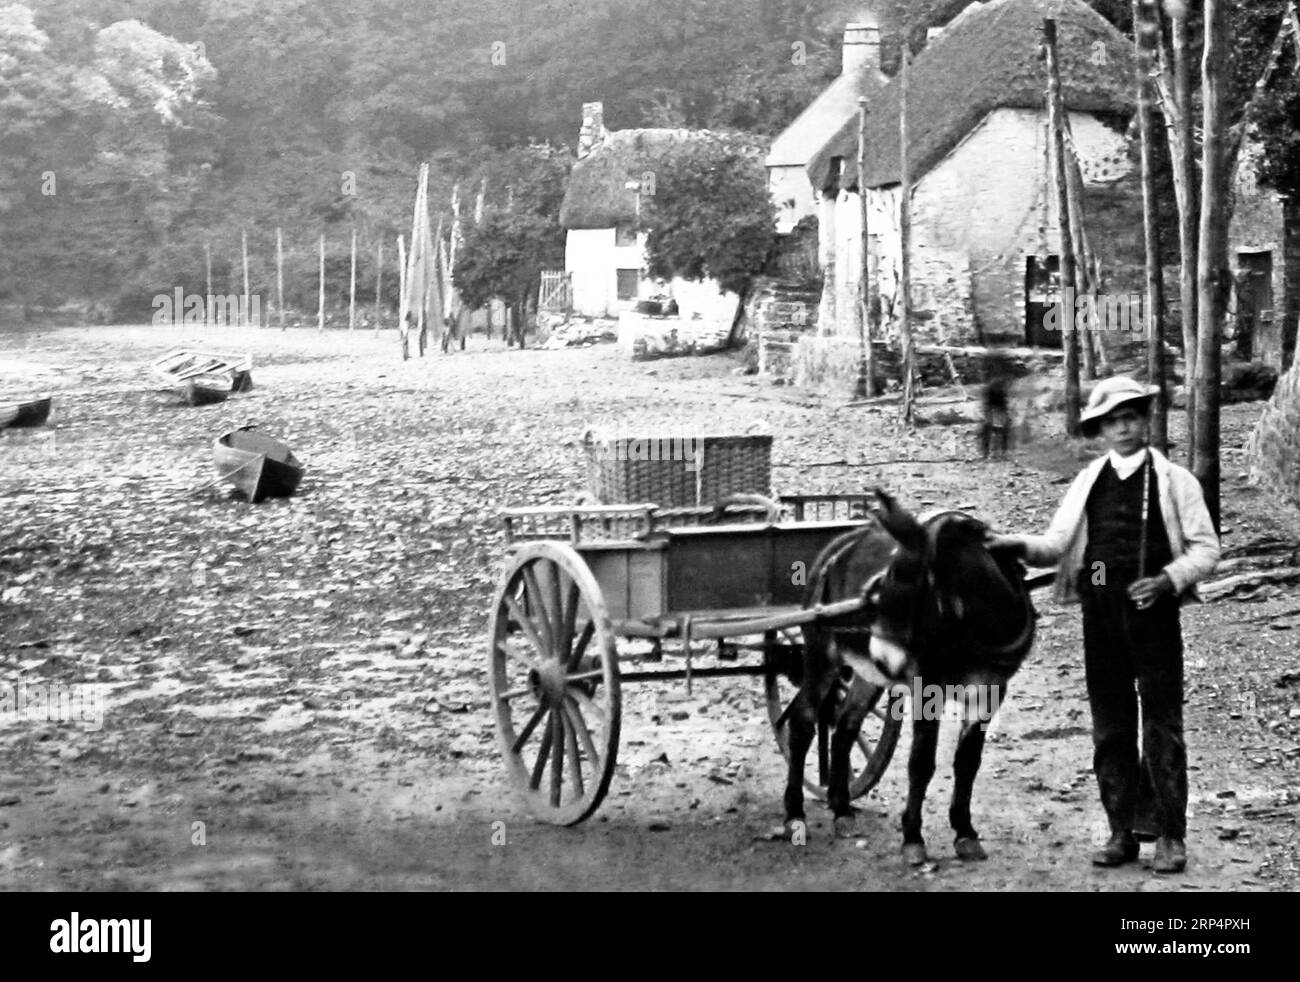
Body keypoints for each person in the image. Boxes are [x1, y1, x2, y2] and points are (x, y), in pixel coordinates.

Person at [987, 377, 1220, 873]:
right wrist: (1010, 543)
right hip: (1101, 618)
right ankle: (1120, 832)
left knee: (1162, 727)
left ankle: (1169, 837)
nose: (1125, 427)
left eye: (1132, 416)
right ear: (1100, 428)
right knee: (1111, 728)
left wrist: (1166, 579)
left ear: (1146, 420)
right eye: (1113, 420)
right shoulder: (1089, 480)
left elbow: (1206, 549)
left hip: (1153, 619)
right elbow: (1055, 544)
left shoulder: (1175, 480)